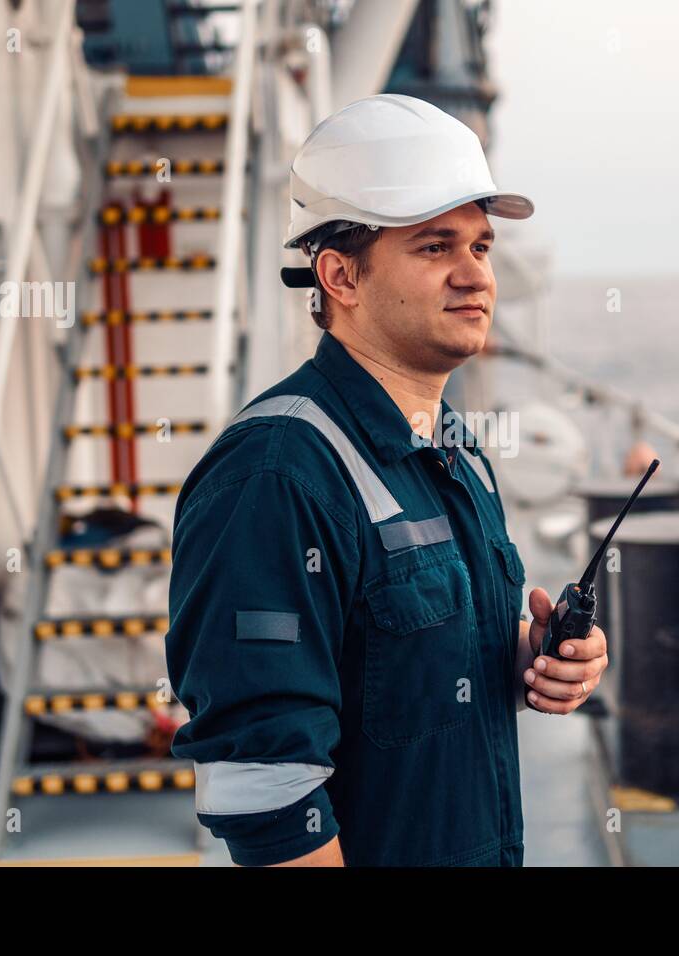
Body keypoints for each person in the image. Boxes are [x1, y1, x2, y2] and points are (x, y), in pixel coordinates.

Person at [165, 93, 609, 867]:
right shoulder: (275, 476)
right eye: (436, 247)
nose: (475, 276)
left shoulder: (456, 449)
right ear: (340, 275)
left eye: (481, 246)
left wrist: (531, 653)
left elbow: (396, 654)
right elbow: (266, 793)